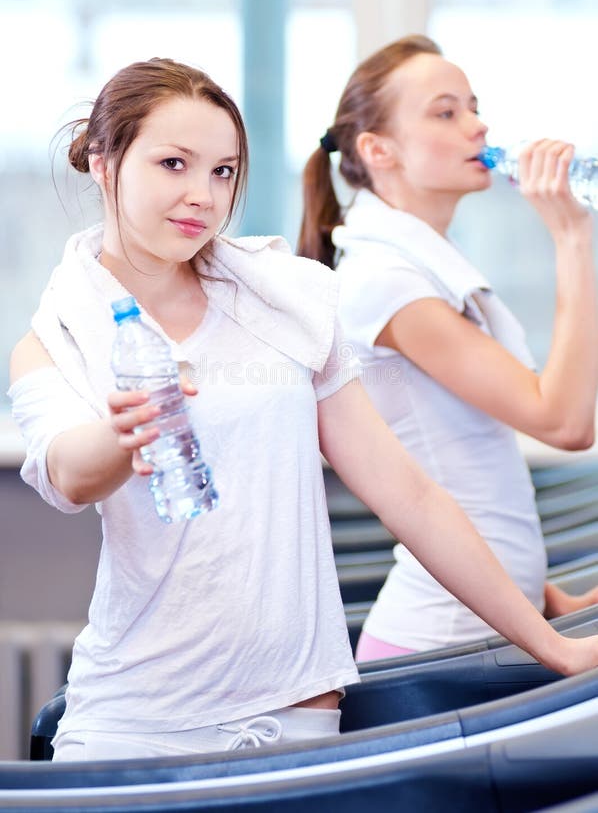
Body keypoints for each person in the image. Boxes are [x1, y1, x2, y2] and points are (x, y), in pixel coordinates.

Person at [9, 58, 598, 765]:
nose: (202, 195)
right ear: (104, 165)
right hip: (134, 721)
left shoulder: (286, 300)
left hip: (297, 720)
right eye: (173, 164)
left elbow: (410, 495)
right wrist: (120, 435)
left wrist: (552, 647)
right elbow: (67, 472)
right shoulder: (57, 338)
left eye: (223, 172)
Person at [298, 34, 598, 662]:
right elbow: (565, 423)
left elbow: (460, 460)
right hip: (441, 642)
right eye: (446, 112)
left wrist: (543, 593)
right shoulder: (387, 282)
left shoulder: (414, 261)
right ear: (378, 150)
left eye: (474, 107)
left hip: (482, 625)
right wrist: (572, 237)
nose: (479, 125)